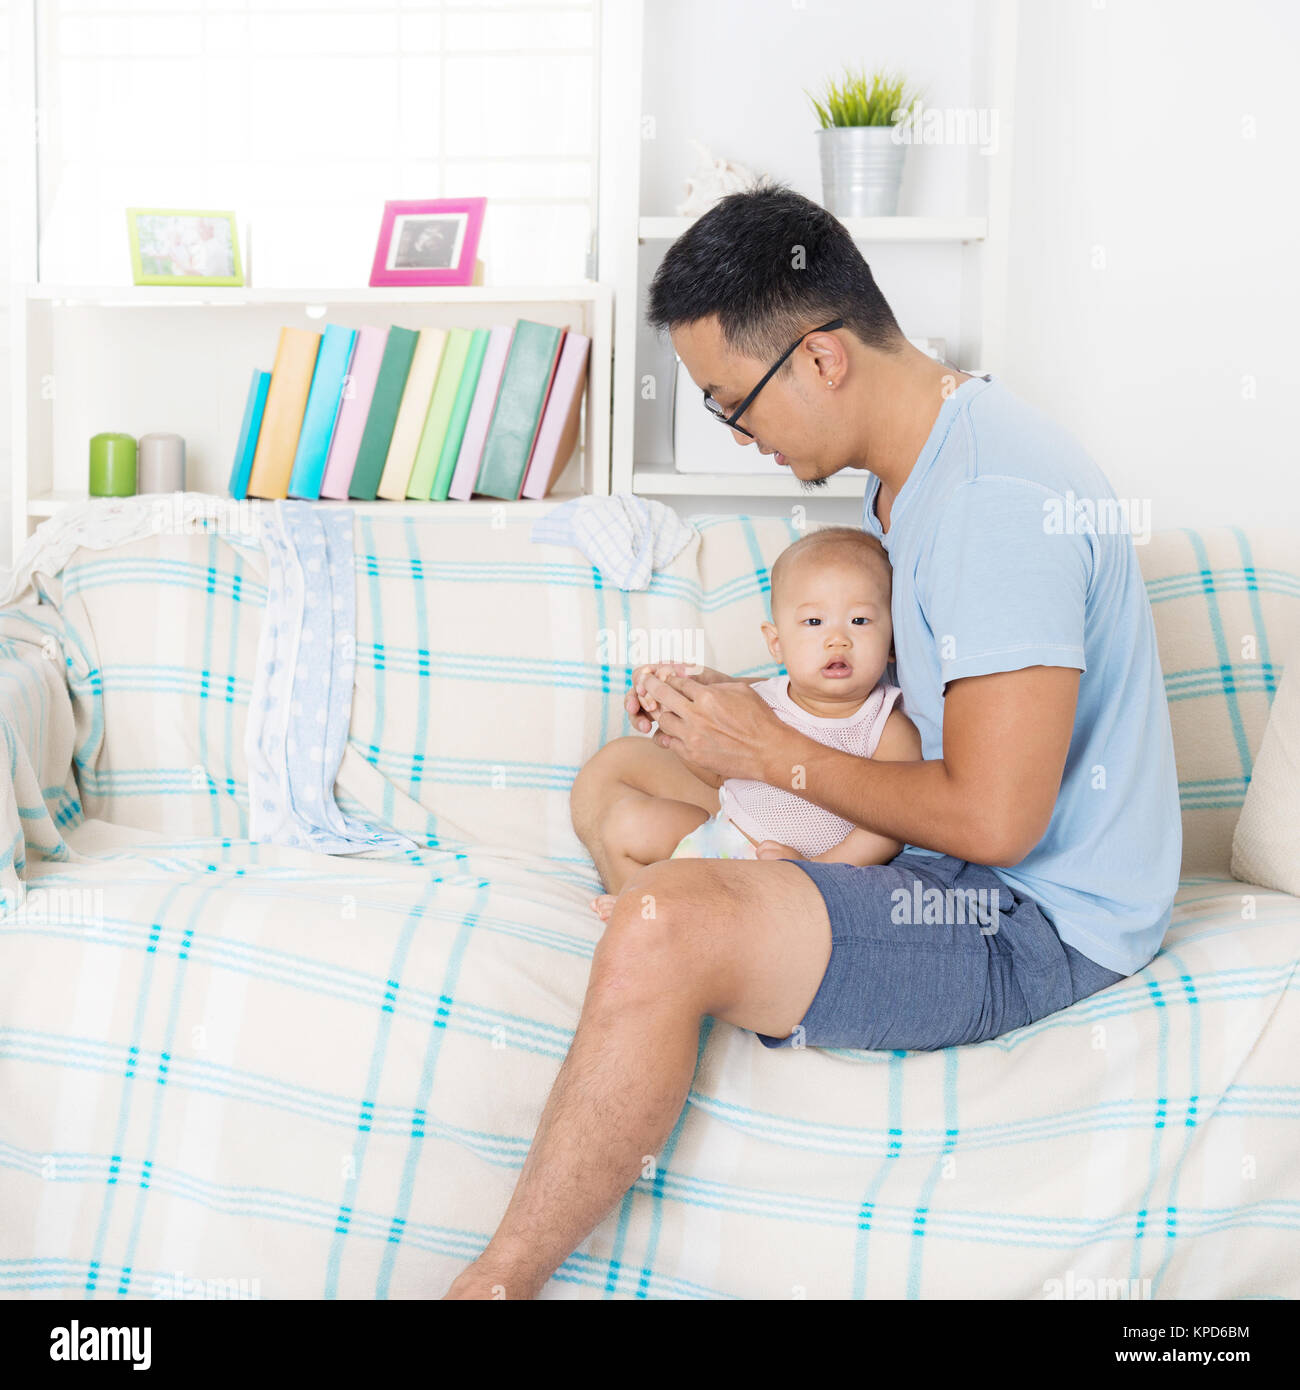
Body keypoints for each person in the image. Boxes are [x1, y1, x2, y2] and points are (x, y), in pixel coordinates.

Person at [443, 182, 1180, 1299]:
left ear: (823, 358)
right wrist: (728, 721)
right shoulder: (921, 475)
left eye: (735, 405)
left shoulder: (991, 503)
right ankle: (721, 894)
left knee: (656, 929)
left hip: (1029, 919)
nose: (741, 438)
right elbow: (885, 718)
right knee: (620, 771)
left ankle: (493, 1282)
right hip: (955, 860)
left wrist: (766, 754)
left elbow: (995, 819)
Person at [588, 526, 920, 929]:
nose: (837, 639)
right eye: (814, 621)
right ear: (776, 642)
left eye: (860, 620)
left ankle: (671, 920)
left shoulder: (886, 726)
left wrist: (815, 871)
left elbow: (887, 829)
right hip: (718, 840)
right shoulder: (760, 699)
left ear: (891, 644)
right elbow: (716, 772)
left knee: (731, 915)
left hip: (784, 873)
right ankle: (641, 911)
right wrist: (672, 723)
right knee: (627, 824)